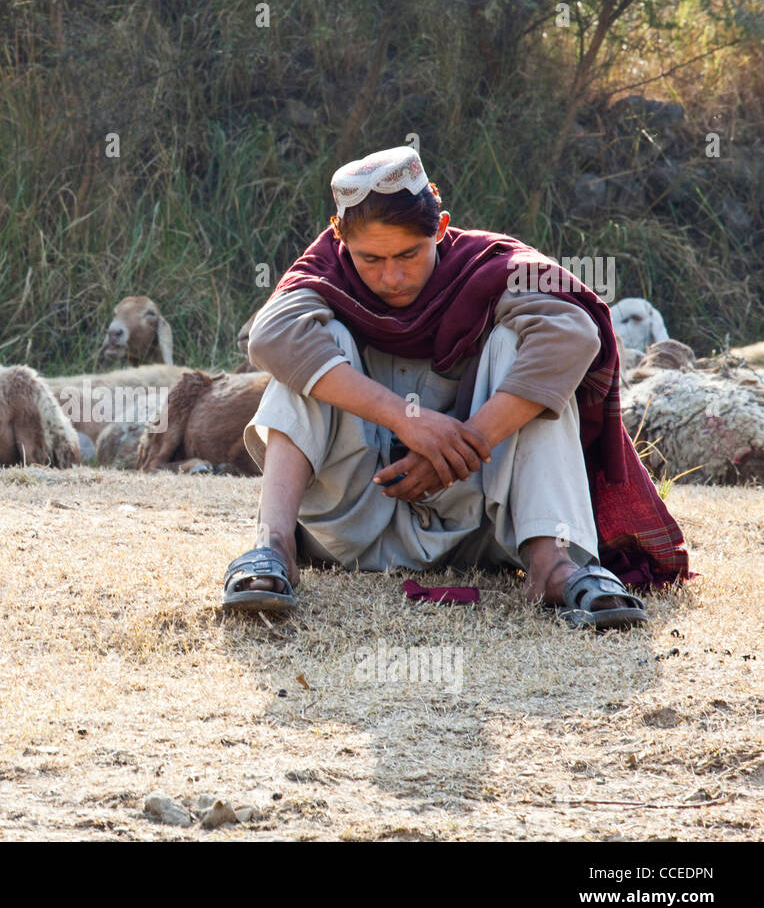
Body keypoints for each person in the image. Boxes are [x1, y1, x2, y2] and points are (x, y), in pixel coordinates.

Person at [221, 145, 690, 629]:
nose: (392, 276)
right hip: (352, 521)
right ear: (340, 240)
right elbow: (270, 335)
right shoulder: (324, 272)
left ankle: (555, 565)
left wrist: (462, 446)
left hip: (480, 523)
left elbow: (573, 333)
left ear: (441, 229)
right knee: (310, 346)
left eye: (408, 254)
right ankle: (272, 549)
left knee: (519, 345)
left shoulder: (487, 263)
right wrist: (409, 421)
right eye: (371, 259)